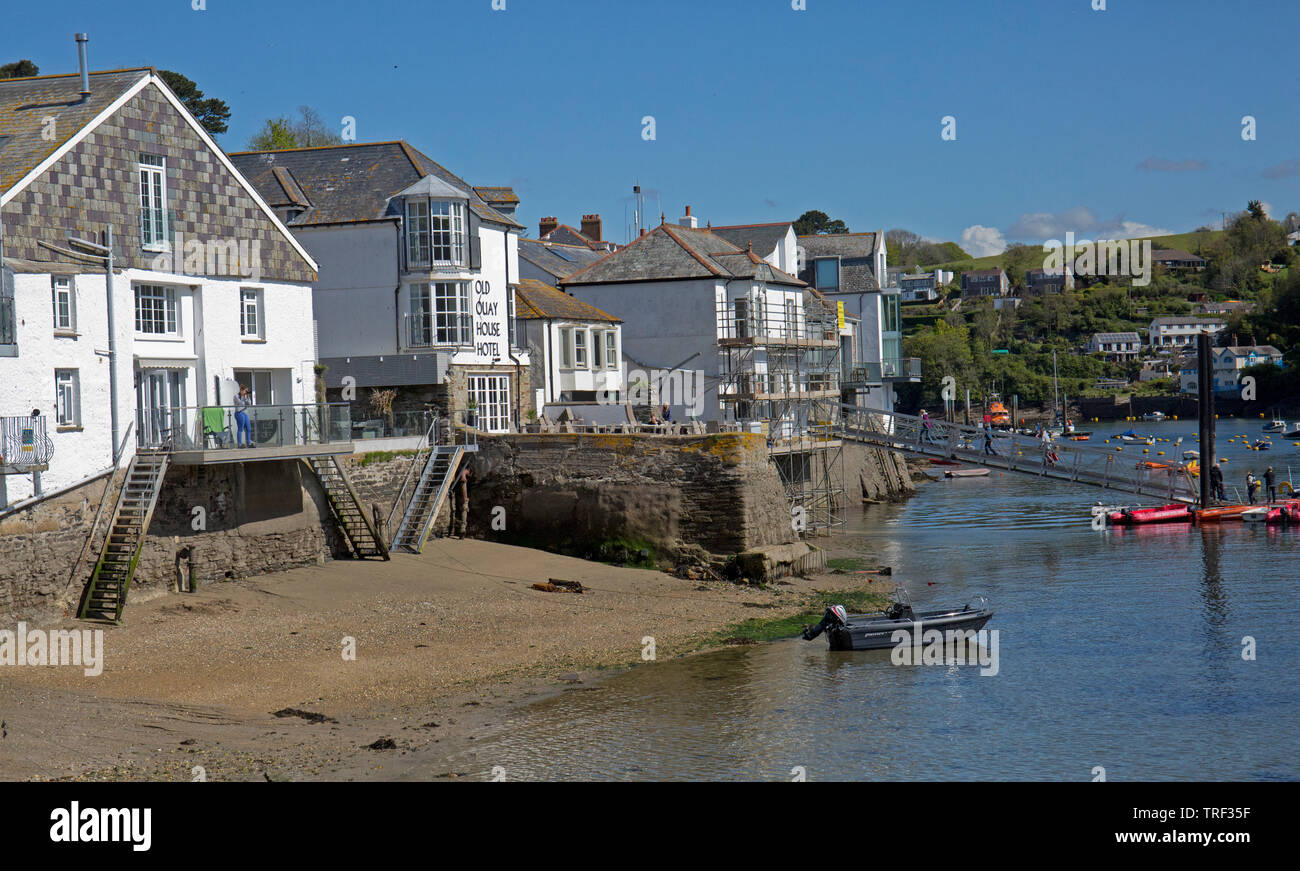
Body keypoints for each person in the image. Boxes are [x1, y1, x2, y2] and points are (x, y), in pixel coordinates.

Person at [448, 462, 472, 538]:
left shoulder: (461, 472)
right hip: (463, 496)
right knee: (464, 509)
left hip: (459, 493)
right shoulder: (464, 474)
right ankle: (462, 530)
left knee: (460, 510)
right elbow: (464, 478)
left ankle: (459, 529)